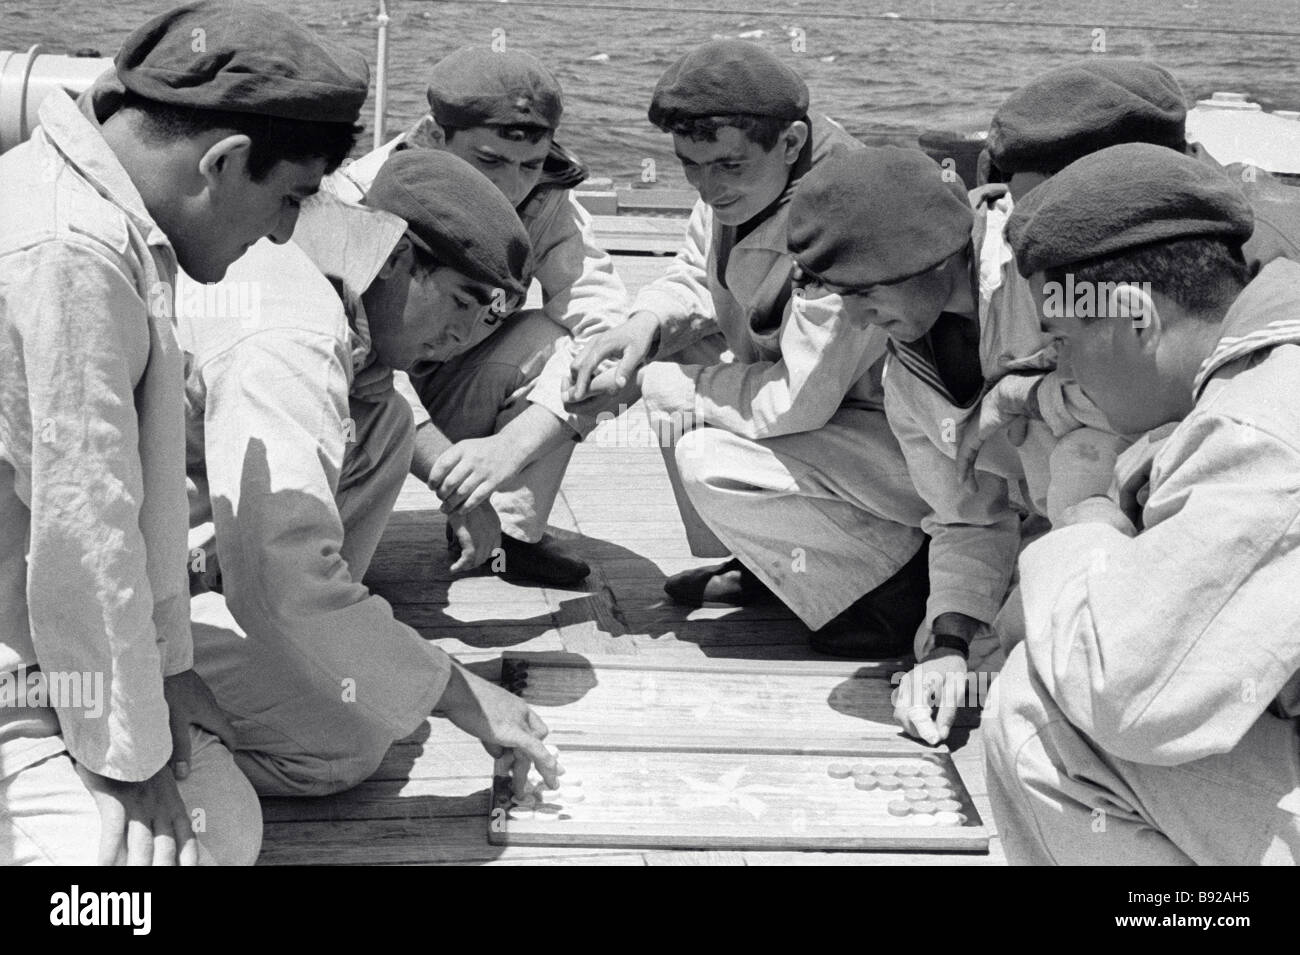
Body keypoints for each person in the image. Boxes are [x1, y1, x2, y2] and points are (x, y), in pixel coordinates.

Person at [0, 0, 368, 865]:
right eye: (288, 199)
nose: (284, 232)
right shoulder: (71, 257)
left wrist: (166, 674)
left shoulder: (87, 203)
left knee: (301, 757)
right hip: (26, 660)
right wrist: (129, 757)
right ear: (225, 160)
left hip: (56, 644)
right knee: (162, 872)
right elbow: (82, 539)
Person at [180, 149, 562, 798]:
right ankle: (97, 742)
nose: (468, 332)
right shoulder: (288, 336)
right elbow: (282, 579)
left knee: (381, 424)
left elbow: (381, 395)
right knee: (343, 735)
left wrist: (455, 483)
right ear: (398, 258)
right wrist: (457, 689)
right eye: (464, 301)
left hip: (166, 540)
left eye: (489, 314)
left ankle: (303, 643)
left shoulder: (327, 266)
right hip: (81, 604)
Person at [986, 143, 1300, 864]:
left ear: (1134, 316)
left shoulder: (1262, 427)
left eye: (1062, 339)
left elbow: (1127, 697)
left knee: (1043, 712)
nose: (1059, 368)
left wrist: (1081, 525)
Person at [568, 40, 931, 657]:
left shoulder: (844, 221)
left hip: (903, 444)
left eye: (726, 167)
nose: (707, 189)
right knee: (672, 363)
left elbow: (796, 404)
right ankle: (780, 564)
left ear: (791, 142)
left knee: (706, 453)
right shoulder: (749, 181)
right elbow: (698, 274)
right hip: (836, 417)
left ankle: (898, 586)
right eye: (690, 165)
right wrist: (646, 324)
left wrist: (660, 385)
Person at [330, 47, 630, 586]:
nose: (511, 186)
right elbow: (357, 367)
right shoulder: (358, 198)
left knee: (577, 348)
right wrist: (451, 477)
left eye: (530, 165)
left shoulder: (545, 198)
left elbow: (600, 312)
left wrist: (508, 449)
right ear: (434, 134)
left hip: (446, 385)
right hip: (365, 397)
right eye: (489, 161)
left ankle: (510, 535)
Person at [958, 58, 1300, 478]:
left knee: (1081, 463)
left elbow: (1189, 387)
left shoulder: (1247, 246)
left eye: (1046, 205)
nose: (1033, 226)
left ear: (1112, 178)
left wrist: (1029, 394)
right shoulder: (1158, 221)